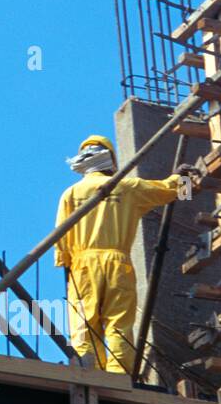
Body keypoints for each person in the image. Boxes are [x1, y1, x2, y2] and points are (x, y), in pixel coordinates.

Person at [55, 134, 201, 373]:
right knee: (119, 323)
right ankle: (118, 376)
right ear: (112, 159)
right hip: (117, 263)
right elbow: (179, 193)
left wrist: (68, 267)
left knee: (83, 324)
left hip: (82, 266)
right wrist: (182, 178)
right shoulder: (127, 188)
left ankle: (86, 372)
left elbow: (61, 241)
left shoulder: (70, 194)